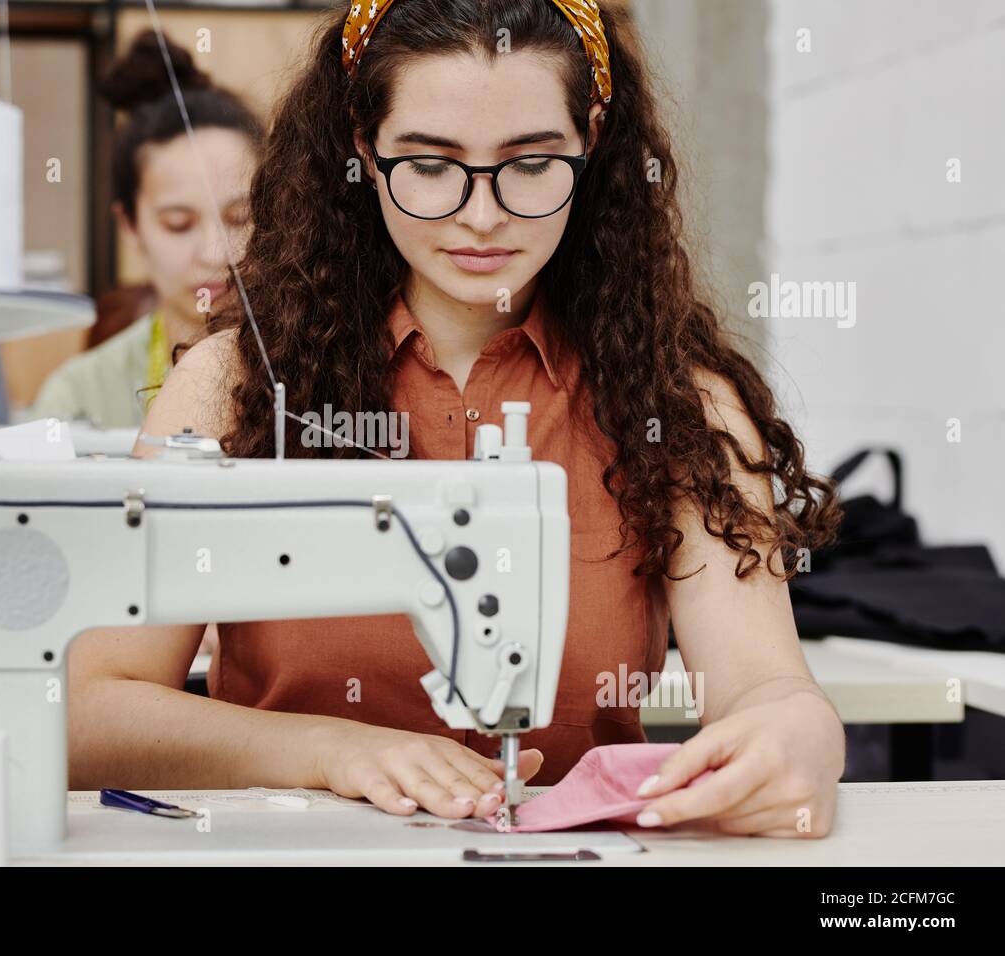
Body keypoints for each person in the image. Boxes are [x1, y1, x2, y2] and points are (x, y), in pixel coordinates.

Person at [69, 0, 847, 838]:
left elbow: (768, 688)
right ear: (364, 150)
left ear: (591, 140)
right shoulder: (231, 390)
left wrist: (798, 736)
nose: (482, 215)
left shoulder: (679, 405)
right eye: (431, 165)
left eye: (531, 162)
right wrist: (328, 751)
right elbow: (86, 712)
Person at [32, 31, 263, 429]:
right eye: (178, 223)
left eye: (240, 217)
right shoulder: (78, 396)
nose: (215, 252)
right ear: (130, 227)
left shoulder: (324, 367)